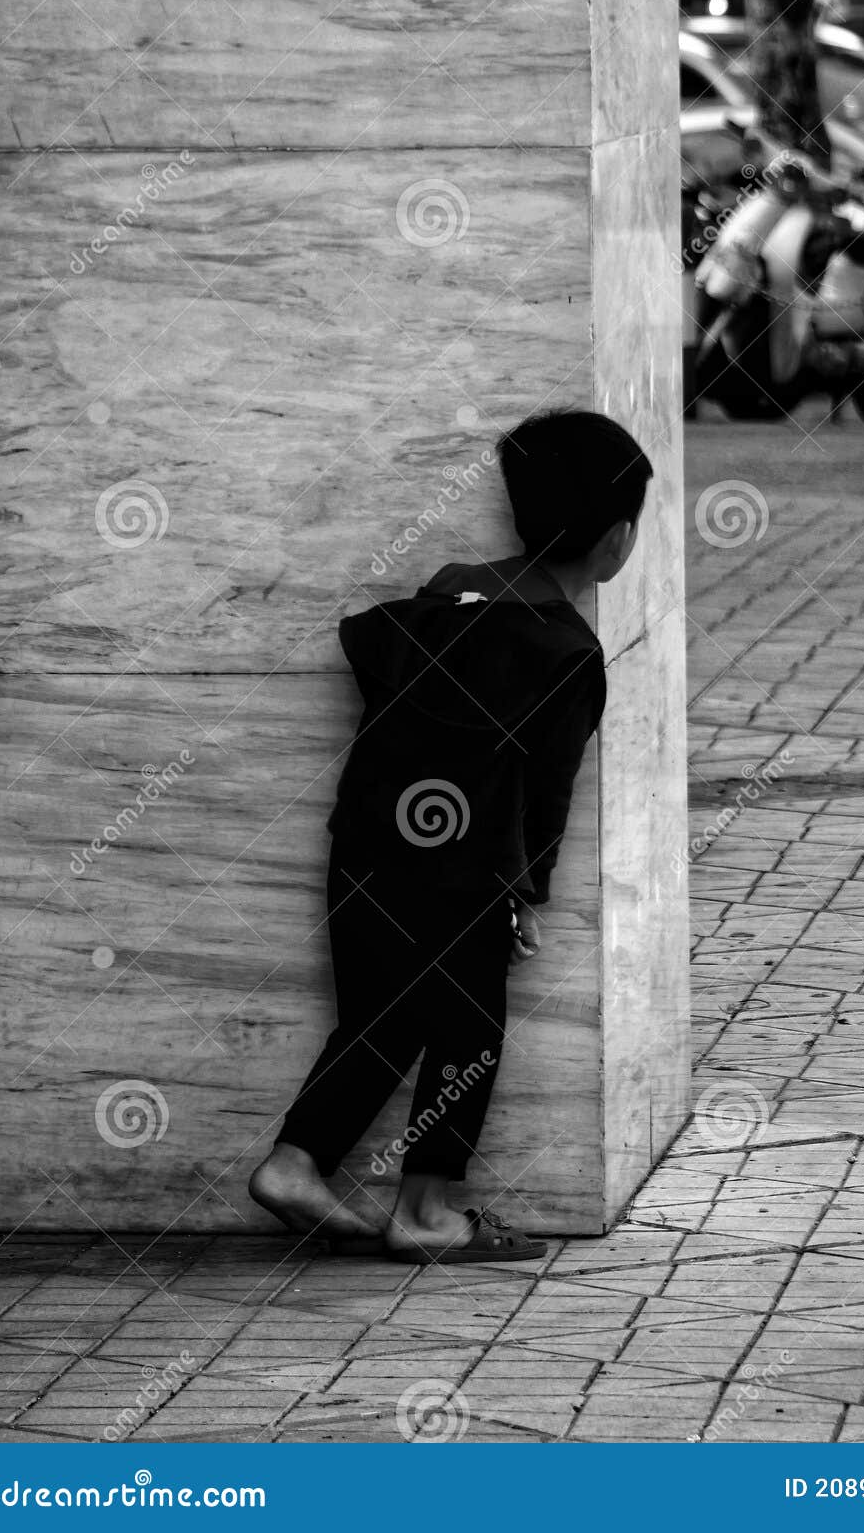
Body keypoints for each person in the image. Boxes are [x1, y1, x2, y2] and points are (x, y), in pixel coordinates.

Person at [249, 410, 653, 1262]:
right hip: (464, 867)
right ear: (617, 541)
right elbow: (542, 798)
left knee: (380, 1017)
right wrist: (523, 893)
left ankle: (296, 1163)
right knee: (468, 1028)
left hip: (365, 841)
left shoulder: (445, 591)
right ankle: (425, 1210)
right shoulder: (567, 653)